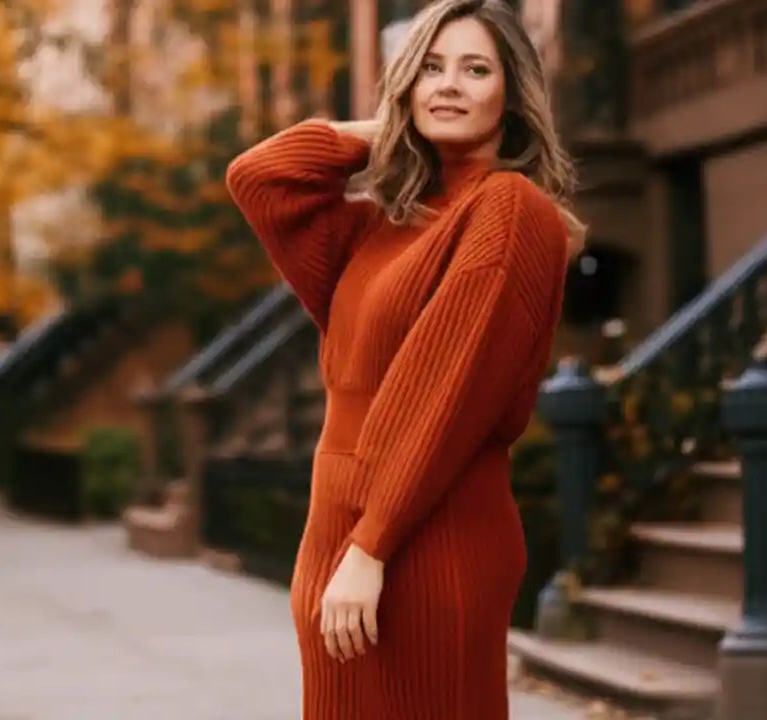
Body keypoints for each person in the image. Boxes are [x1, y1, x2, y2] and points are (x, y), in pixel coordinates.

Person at [225, 0, 584, 716]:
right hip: (339, 536)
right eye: (428, 67)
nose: (448, 85)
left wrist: (371, 548)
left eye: (475, 69)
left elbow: (444, 397)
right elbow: (259, 178)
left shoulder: (510, 210)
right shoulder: (377, 227)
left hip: (423, 537)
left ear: (511, 97)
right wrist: (389, 130)